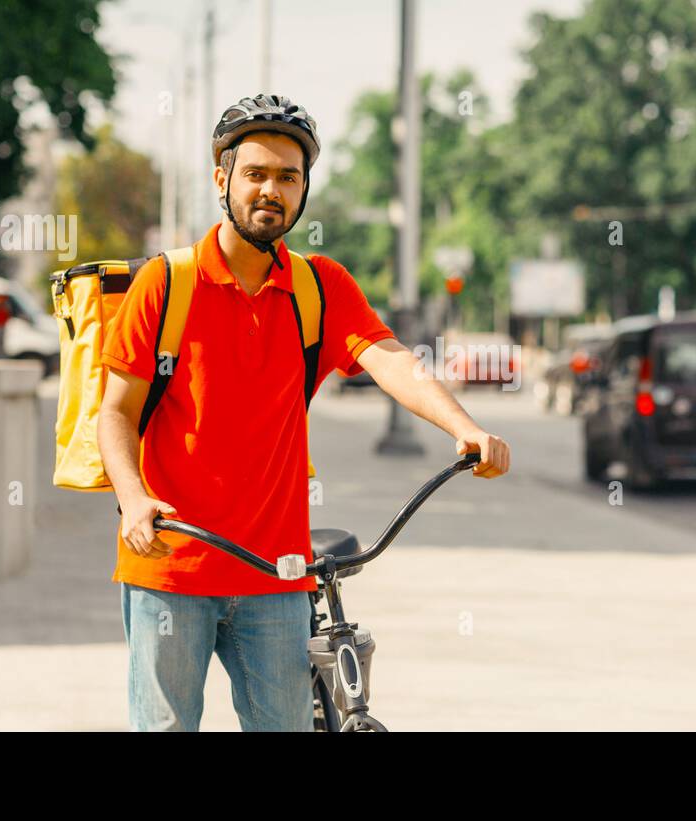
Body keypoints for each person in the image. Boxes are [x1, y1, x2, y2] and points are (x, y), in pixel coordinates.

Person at [98, 94, 511, 731]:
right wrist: (132, 497)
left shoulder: (320, 288)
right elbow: (116, 415)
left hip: (276, 579)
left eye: (288, 177)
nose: (271, 190)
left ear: (304, 190)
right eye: (256, 173)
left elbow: (392, 359)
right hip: (172, 565)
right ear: (222, 179)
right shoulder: (167, 284)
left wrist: (466, 428)